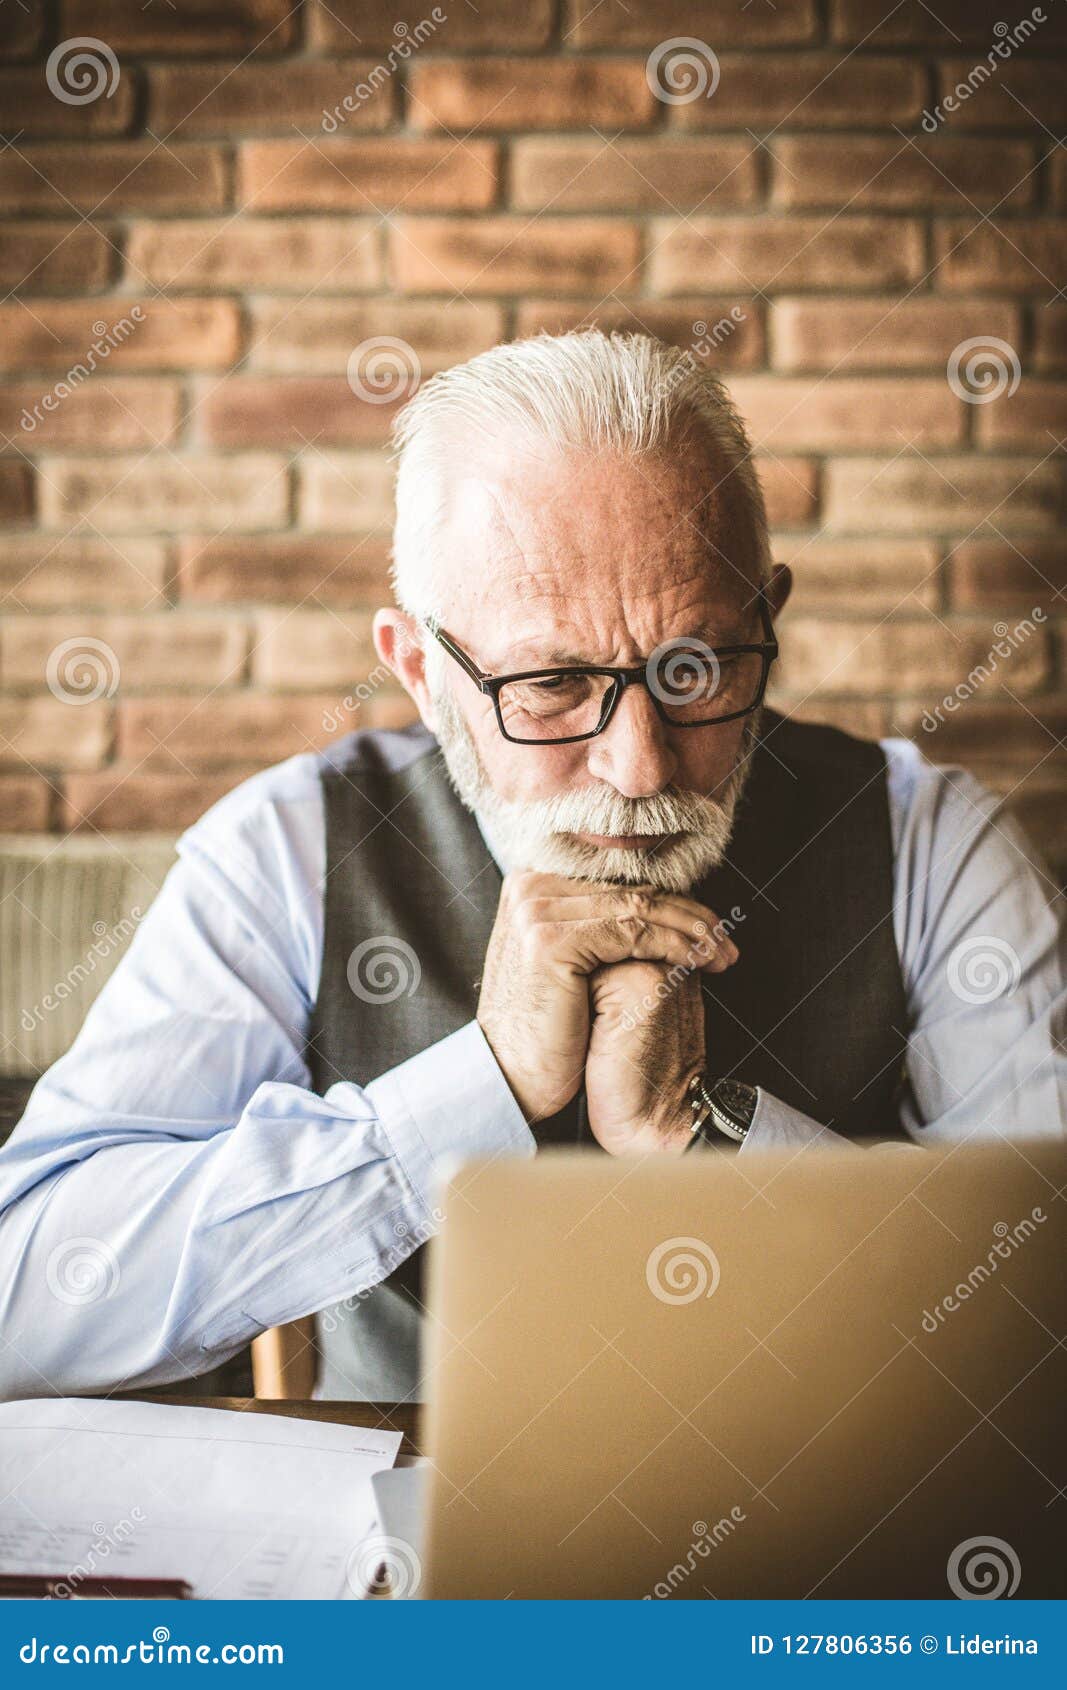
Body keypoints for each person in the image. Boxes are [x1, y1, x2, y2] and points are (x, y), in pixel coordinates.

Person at [0, 331, 1062, 1403]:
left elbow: (1038, 1321)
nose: (638, 766)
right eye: (551, 682)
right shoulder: (284, 849)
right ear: (420, 670)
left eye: (694, 667)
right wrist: (479, 1086)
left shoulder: (930, 838)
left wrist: (704, 1139)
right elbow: (27, 1302)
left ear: (765, 618)